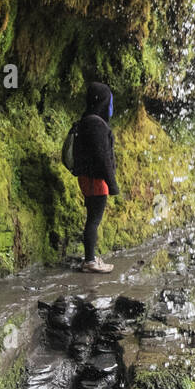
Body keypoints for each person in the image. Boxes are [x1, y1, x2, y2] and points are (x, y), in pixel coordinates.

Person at [72, 81, 119, 273]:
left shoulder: (86, 120)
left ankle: (90, 257)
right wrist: (112, 184)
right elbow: (102, 157)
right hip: (95, 179)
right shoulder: (96, 124)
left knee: (93, 217)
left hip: (89, 178)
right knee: (94, 219)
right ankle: (90, 261)